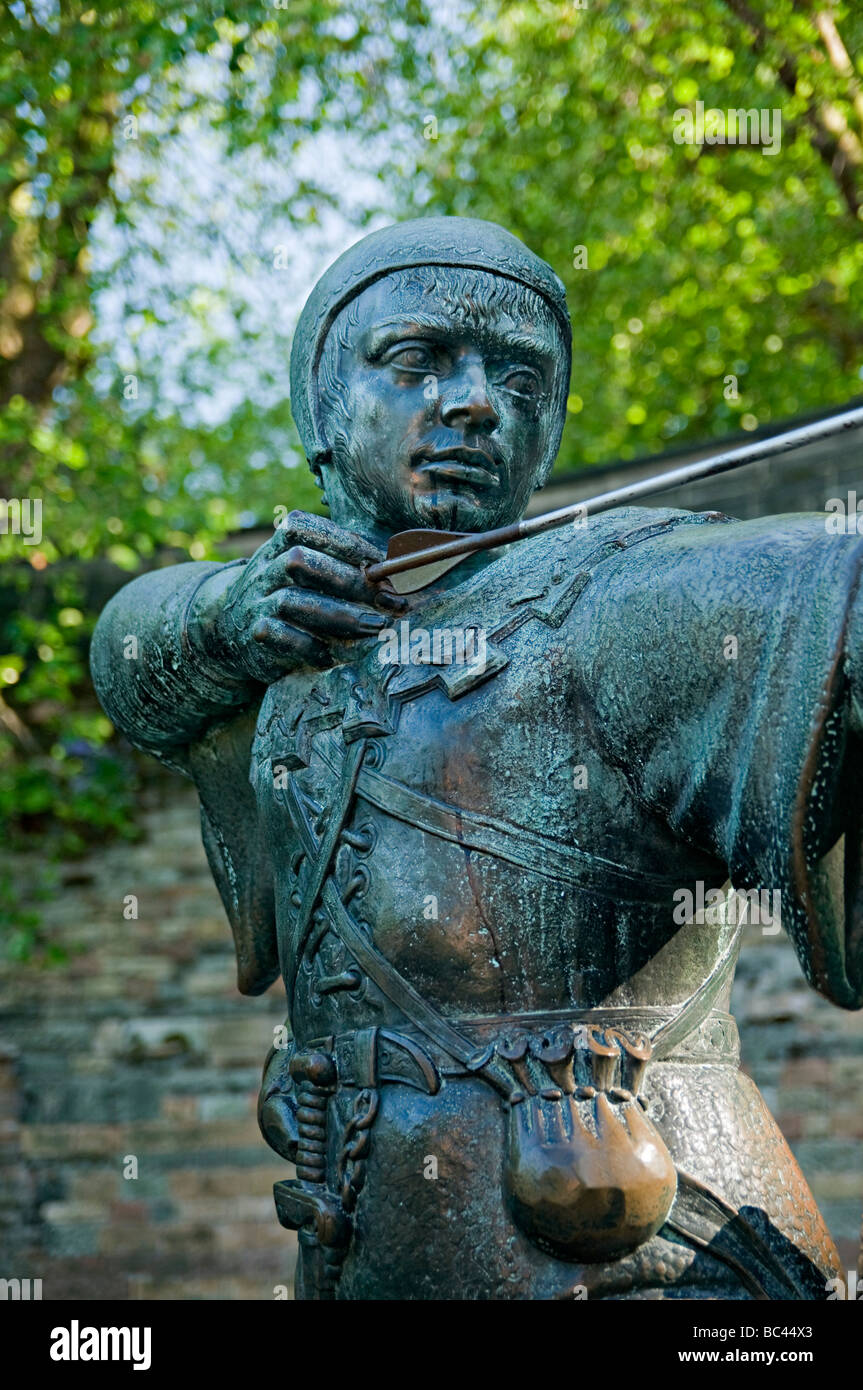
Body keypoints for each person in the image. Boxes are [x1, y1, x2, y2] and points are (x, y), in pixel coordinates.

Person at [91, 217, 863, 1300]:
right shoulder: (285, 635)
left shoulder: (624, 594)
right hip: (376, 1235)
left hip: (646, 1256)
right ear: (320, 411)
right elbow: (128, 650)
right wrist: (228, 611)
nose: (473, 402)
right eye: (416, 361)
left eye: (519, 376)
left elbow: (828, 591)